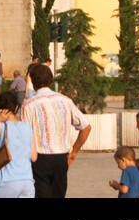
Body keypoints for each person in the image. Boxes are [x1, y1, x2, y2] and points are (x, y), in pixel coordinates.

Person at [19, 63, 91, 198]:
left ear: (33, 82)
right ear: (51, 79)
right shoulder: (65, 101)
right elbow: (86, 127)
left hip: (39, 160)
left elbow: (24, 137)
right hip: (61, 158)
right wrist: (73, 152)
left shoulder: (29, 105)